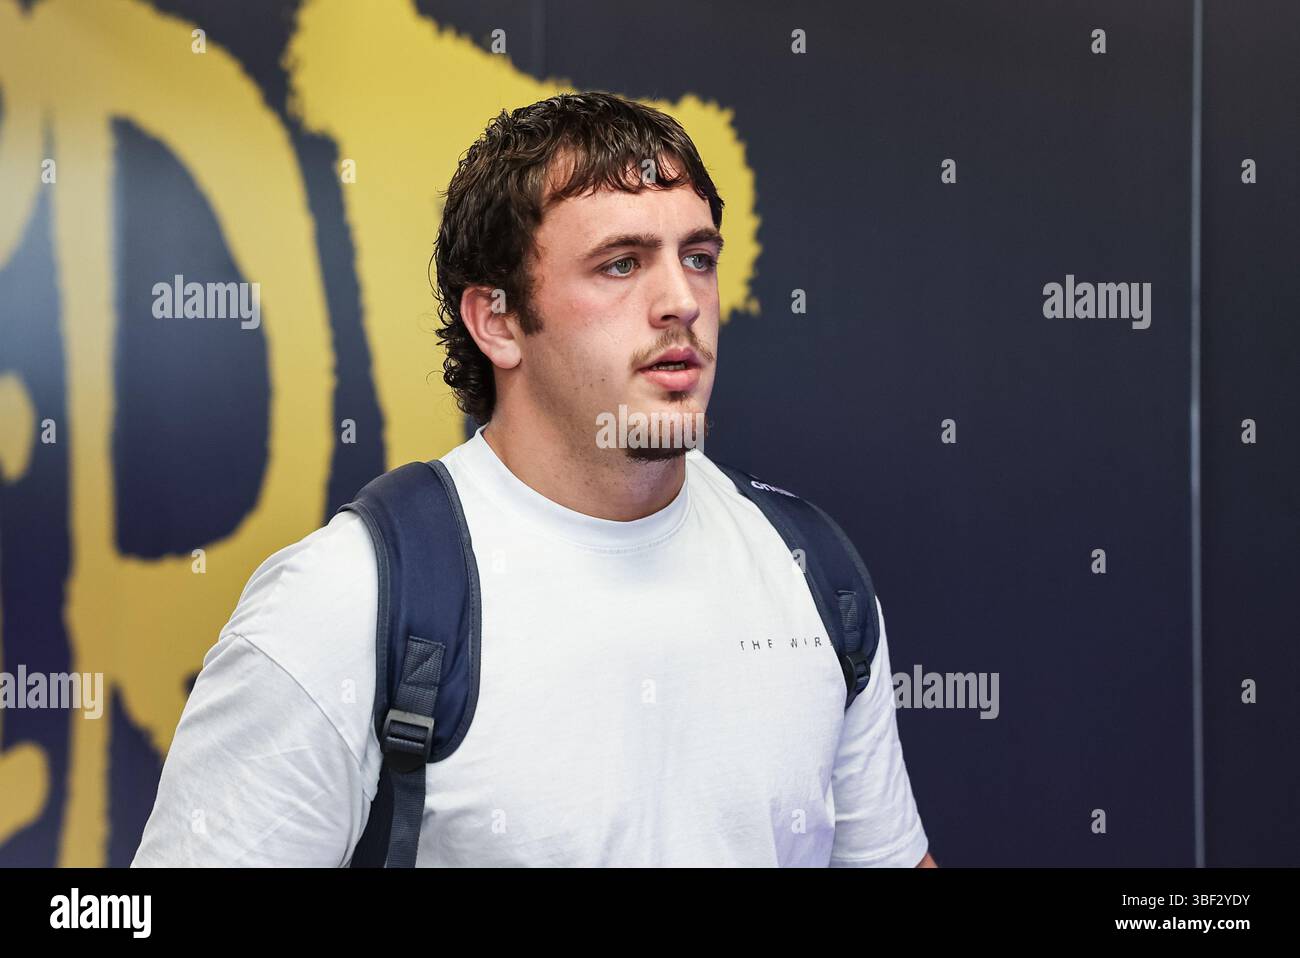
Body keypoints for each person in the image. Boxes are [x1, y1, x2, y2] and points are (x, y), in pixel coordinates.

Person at [133, 91, 935, 868]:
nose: (681, 301)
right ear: (499, 322)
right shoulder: (346, 601)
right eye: (621, 264)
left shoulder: (810, 573)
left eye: (698, 257)